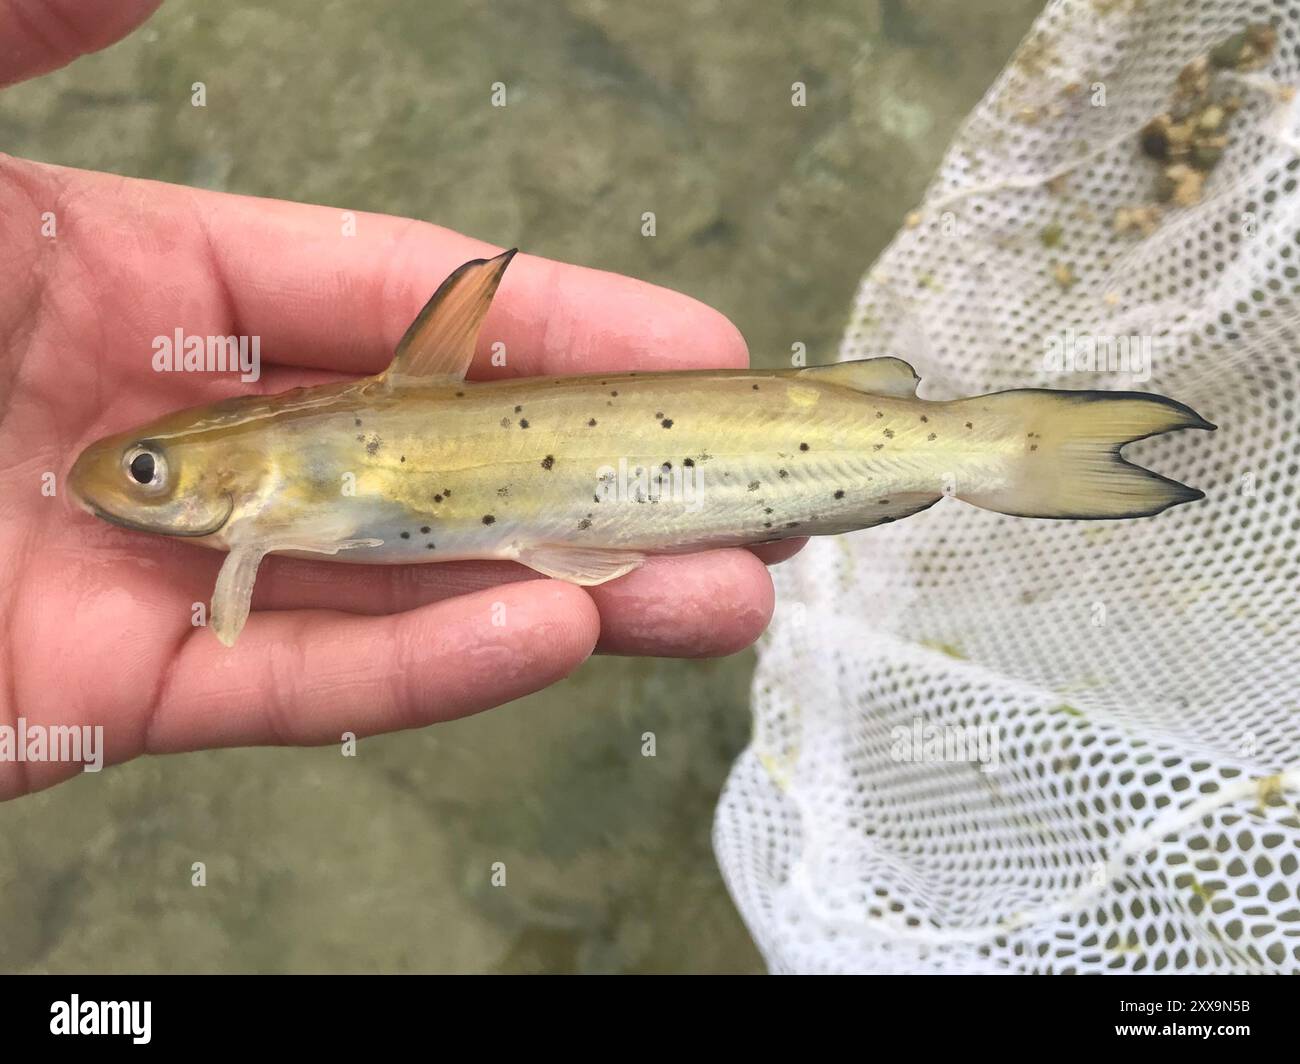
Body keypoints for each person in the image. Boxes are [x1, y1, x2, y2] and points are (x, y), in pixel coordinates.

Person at [0, 0, 802, 799]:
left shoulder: (255, 519)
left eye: (149, 469)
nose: (135, 480)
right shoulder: (252, 519)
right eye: (150, 470)